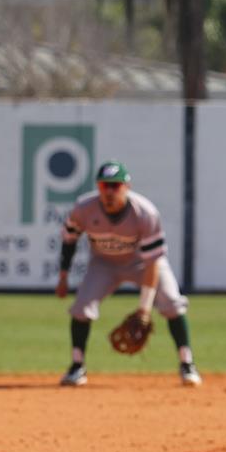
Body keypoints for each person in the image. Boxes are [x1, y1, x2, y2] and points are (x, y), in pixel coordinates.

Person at [54, 160, 201, 387]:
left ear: (127, 187)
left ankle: (187, 364)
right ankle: (76, 366)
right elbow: (69, 239)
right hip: (103, 263)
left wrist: (144, 308)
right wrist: (63, 276)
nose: (110, 191)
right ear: (98, 187)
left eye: (116, 185)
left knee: (172, 303)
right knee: (81, 308)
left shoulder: (145, 213)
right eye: (105, 186)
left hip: (142, 263)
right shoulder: (84, 208)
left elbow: (153, 261)